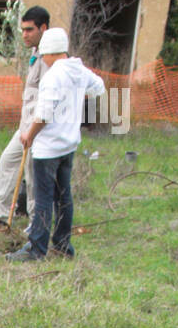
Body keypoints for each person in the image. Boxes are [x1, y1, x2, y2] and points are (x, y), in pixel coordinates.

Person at [6, 27, 106, 262]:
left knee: (43, 200)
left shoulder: (53, 76)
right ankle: (62, 246)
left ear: (47, 52)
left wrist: (29, 134)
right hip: (68, 146)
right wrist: (77, 97)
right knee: (64, 198)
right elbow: (98, 87)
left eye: (43, 55)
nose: (43, 59)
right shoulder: (79, 70)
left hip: (48, 149)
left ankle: (36, 250)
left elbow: (44, 114)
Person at [0, 5, 50, 226]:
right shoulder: (35, 53)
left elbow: (48, 101)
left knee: (32, 177)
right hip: (25, 127)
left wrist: (32, 132)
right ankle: (2, 212)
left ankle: (35, 222)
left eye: (29, 30)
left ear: (43, 28)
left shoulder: (50, 57)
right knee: (8, 161)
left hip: (39, 130)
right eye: (23, 30)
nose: (25, 35)